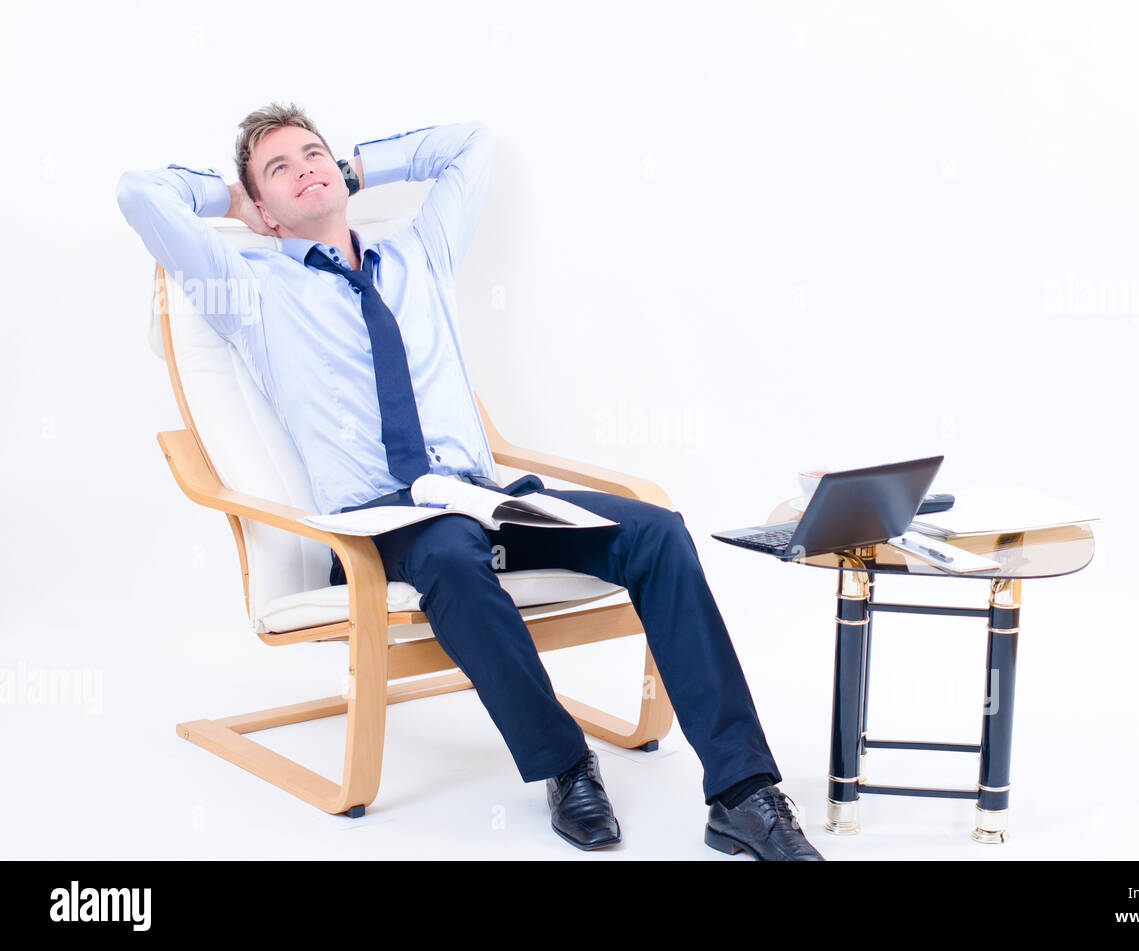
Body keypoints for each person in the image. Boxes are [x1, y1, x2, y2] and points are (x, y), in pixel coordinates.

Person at [116, 102, 822, 861]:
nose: (305, 170)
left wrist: (352, 165)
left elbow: (469, 146)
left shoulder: (420, 254)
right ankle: (563, 762)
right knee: (450, 550)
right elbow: (137, 193)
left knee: (658, 531)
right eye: (279, 170)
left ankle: (743, 794)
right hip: (378, 526)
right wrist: (232, 201)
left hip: (484, 498)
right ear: (267, 208)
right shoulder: (250, 288)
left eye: (313, 153)